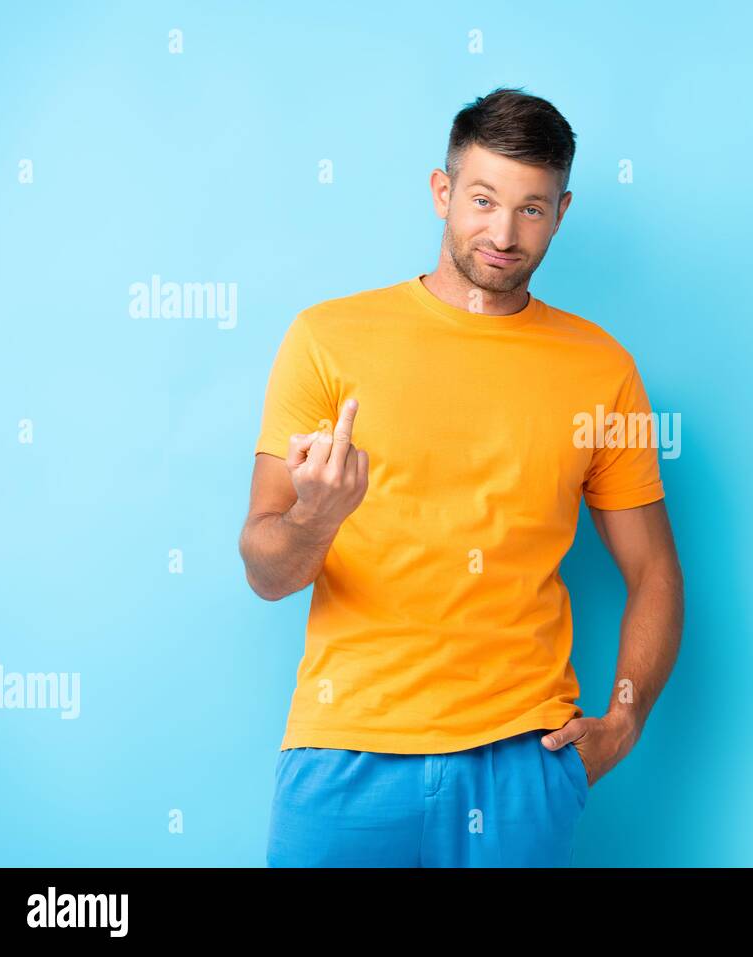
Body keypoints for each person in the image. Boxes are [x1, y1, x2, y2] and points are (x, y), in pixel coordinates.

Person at [238, 87, 684, 867]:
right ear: (442, 192)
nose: (504, 233)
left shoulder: (603, 368)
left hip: (522, 763)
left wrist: (622, 720)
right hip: (346, 750)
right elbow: (266, 570)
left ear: (562, 211)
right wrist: (318, 517)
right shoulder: (327, 340)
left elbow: (653, 570)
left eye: (532, 209)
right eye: (482, 200)